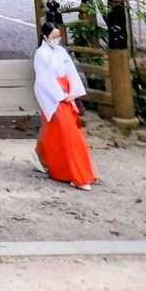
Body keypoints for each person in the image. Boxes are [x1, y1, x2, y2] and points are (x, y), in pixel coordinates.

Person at [32, 19, 97, 189]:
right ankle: (78, 175)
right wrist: (61, 95)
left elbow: (71, 72)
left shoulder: (60, 51)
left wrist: (74, 92)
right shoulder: (41, 54)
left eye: (58, 35)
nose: (57, 38)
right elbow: (44, 79)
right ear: (45, 37)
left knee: (55, 132)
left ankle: (44, 158)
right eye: (53, 36)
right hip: (53, 96)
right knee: (69, 135)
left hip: (66, 94)